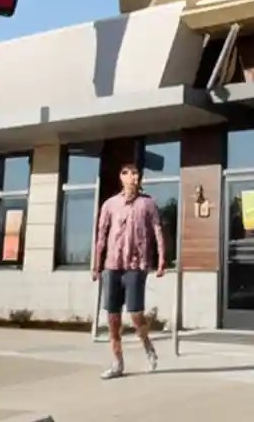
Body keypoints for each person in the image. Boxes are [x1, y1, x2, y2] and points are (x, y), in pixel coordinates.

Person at [90, 161, 166, 380]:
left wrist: (161, 260)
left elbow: (158, 232)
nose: (132, 176)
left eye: (135, 173)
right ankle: (117, 363)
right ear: (121, 177)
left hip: (135, 266)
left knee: (135, 315)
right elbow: (101, 236)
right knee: (112, 319)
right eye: (127, 173)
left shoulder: (148, 204)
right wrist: (96, 266)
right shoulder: (110, 205)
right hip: (112, 267)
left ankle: (147, 344)